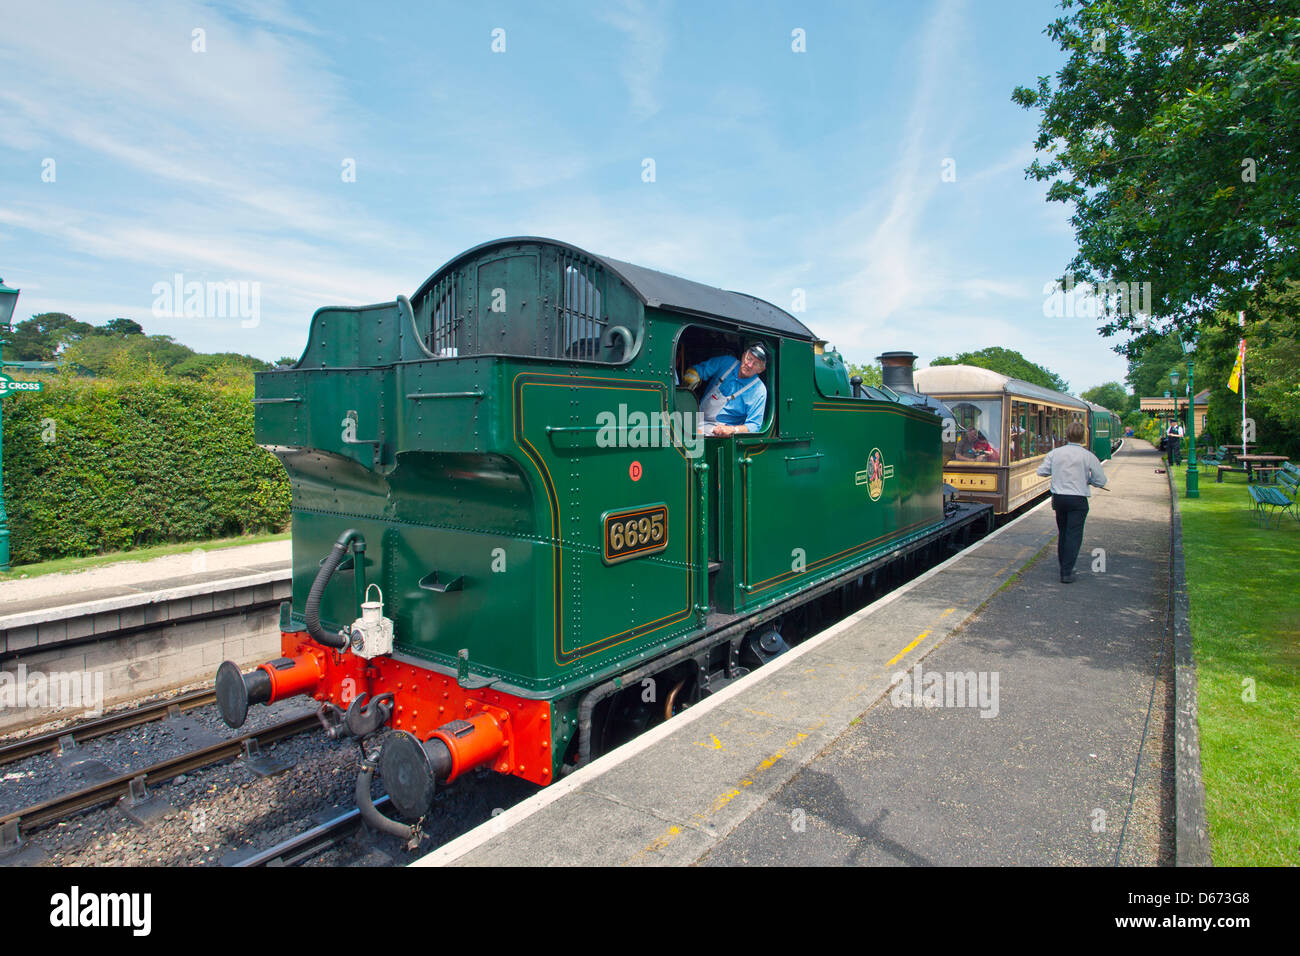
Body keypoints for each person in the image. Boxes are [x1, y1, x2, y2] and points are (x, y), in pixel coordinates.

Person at [1036, 421, 1108, 583]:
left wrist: (1057, 472)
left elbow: (1041, 472)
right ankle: (1067, 572)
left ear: (1066, 435)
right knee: (1074, 534)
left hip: (1059, 498)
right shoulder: (1087, 455)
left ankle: (1064, 565)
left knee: (1063, 532)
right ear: (1083, 436)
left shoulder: (1055, 453)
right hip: (1078, 499)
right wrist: (1089, 480)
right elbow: (1101, 481)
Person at [683, 343, 768, 437]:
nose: (749, 365)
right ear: (743, 356)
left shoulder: (759, 391)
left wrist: (732, 429)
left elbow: (754, 425)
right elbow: (700, 370)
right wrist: (693, 376)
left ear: (761, 369)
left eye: (756, 364)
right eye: (749, 358)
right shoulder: (726, 362)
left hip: (719, 431)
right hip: (697, 414)